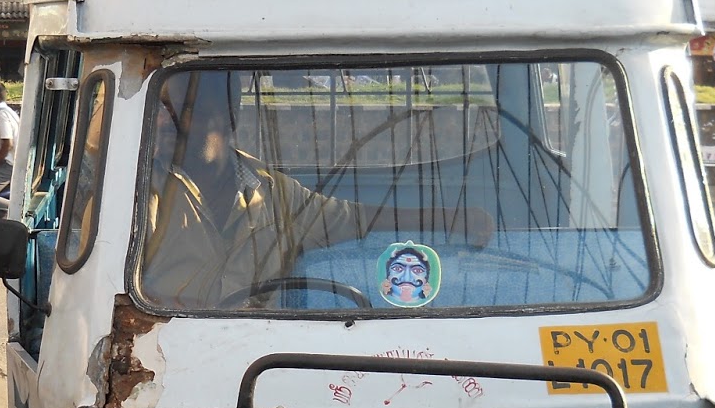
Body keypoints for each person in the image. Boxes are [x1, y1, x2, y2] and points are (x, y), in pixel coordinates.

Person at [140, 77, 488, 309]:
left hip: (258, 356)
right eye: (159, 112)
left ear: (227, 119)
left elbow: (354, 218)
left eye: (180, 112)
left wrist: (451, 218)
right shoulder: (140, 195)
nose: (162, 124)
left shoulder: (273, 192)